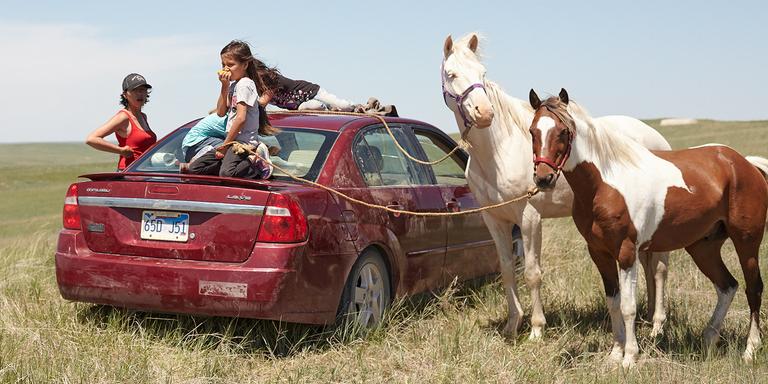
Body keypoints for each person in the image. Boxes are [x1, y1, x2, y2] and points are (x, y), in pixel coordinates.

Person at [188, 40, 277, 179]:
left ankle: (256, 162)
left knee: (227, 174)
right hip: (232, 141)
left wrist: (224, 146)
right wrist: (224, 86)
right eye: (223, 65)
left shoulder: (245, 85)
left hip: (243, 143)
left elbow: (241, 118)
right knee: (195, 169)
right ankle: (229, 163)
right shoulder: (234, 86)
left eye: (230, 65)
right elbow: (221, 112)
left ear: (245, 65)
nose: (226, 69)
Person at [86, 73, 156, 170]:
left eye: (143, 90)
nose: (140, 94)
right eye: (135, 90)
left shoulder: (143, 117)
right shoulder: (123, 117)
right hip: (128, 173)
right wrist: (120, 150)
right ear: (125, 95)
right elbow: (92, 139)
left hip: (145, 171)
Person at [254, 63, 356, 111]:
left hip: (312, 91)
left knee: (344, 106)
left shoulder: (271, 80)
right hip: (299, 106)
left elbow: (262, 103)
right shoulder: (257, 89)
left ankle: (357, 107)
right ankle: (330, 109)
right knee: (315, 106)